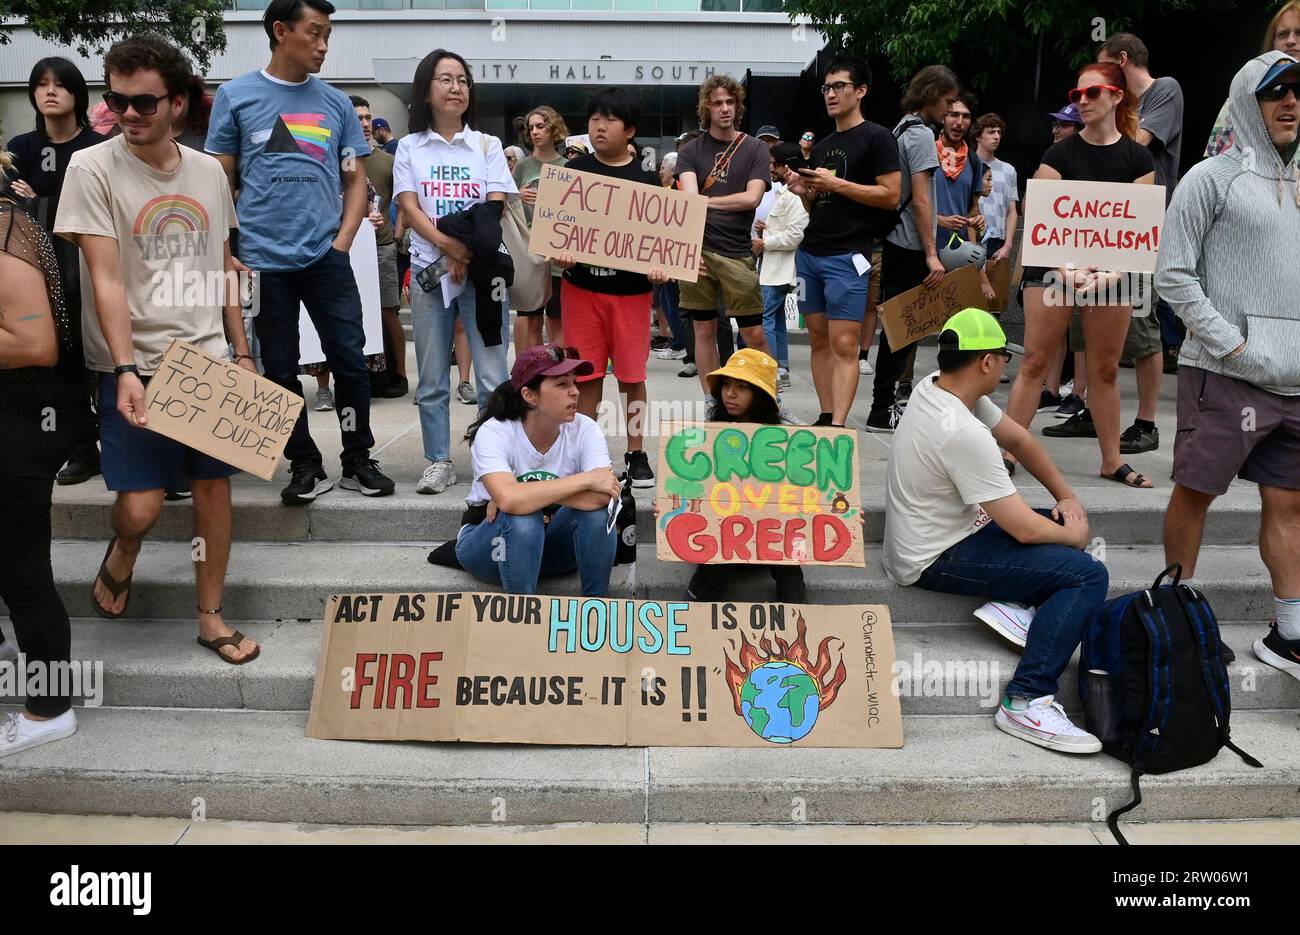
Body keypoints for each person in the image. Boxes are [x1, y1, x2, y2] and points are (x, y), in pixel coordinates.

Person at [54, 34, 260, 665]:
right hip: (134, 364)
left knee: (212, 492)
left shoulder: (208, 173)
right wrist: (122, 369)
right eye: (116, 100)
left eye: (144, 102)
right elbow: (105, 277)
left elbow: (222, 262)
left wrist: (241, 351)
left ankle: (210, 615)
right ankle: (123, 550)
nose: (128, 115)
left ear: (178, 103)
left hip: (206, 362)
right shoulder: (91, 168)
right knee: (139, 508)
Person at [884, 308, 1107, 753]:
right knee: (1087, 574)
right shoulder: (965, 432)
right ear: (986, 362)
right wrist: (1076, 537)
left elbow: (1021, 440)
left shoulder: (939, 389)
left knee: (1059, 521)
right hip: (933, 557)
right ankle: (1026, 700)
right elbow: (1022, 529)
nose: (1006, 364)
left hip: (937, 530)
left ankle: (1022, 605)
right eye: (1004, 356)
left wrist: (1067, 499)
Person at [207, 0, 394, 505]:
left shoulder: (334, 103)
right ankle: (304, 462)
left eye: (328, 34)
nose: (323, 45)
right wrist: (228, 250)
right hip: (265, 263)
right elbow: (219, 181)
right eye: (314, 33)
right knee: (280, 370)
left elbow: (355, 181)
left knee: (351, 362)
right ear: (279, 31)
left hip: (325, 259)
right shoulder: (235, 96)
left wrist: (341, 243)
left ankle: (357, 457)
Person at [1156, 51, 1300, 678]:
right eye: (1275, 93)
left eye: (1297, 91)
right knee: (1196, 494)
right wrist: (1232, 345)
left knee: (1288, 507)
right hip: (1224, 373)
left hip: (1295, 381)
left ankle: (1290, 628)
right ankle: (1172, 613)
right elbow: (1173, 276)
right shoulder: (1209, 178)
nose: (1290, 102)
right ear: (1248, 101)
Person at [1008, 61, 1156, 489]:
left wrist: (1110, 275)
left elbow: (1137, 231)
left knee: (1106, 370)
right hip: (1054, 272)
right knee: (1035, 361)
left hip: (1112, 276)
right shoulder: (1058, 154)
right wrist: (1063, 270)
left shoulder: (1138, 158)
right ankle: (1006, 450)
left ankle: (1112, 460)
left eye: (1092, 93)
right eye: (1077, 95)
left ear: (1116, 96)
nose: (1082, 101)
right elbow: (1041, 223)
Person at [0, 182, 96, 755]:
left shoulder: (4, 232)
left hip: (20, 419)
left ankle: (49, 708)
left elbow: (35, 342)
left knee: (22, 572)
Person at [395, 49, 515, 495]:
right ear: (426, 90)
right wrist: (448, 249)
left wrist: (465, 254)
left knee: (491, 373)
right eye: (445, 79)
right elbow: (410, 206)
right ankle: (438, 460)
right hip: (430, 270)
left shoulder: (487, 145)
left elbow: (495, 206)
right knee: (430, 377)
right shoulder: (409, 147)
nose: (455, 88)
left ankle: (492, 460)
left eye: (463, 80)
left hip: (484, 275)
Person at [549, 88, 667, 489]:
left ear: (630, 130)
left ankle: (636, 454)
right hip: (580, 291)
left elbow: (660, 243)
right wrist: (559, 254)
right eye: (595, 117)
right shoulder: (574, 174)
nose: (599, 125)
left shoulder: (648, 182)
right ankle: (585, 454)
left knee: (633, 375)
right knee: (586, 377)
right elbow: (554, 236)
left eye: (610, 119)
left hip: (632, 295)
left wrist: (660, 268)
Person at [784, 57, 900, 428]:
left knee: (846, 344)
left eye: (839, 87)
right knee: (818, 339)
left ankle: (837, 426)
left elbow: (890, 195)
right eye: (827, 88)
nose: (831, 95)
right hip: (811, 250)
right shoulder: (822, 146)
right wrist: (805, 191)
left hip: (849, 253)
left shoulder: (878, 137)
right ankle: (825, 416)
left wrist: (835, 184)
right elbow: (817, 202)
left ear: (861, 91)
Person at [7, 57, 107, 487]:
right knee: (62, 363)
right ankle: (83, 450)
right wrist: (40, 204)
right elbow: (10, 216)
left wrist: (39, 201)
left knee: (104, 357)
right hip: (40, 275)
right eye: (41, 84)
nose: (50, 91)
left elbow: (100, 210)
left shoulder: (100, 146)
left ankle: (130, 445)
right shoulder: (20, 148)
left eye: (60, 84)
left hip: (93, 268)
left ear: (77, 94)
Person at [456, 345, 620, 597]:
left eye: (574, 383)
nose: (575, 391)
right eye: (562, 384)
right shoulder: (494, 432)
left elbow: (604, 495)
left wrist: (523, 494)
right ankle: (523, 623)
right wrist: (585, 480)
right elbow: (510, 501)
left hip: (554, 542)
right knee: (522, 519)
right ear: (530, 395)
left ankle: (595, 612)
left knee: (597, 515)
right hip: (491, 546)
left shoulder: (585, 428)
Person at [662, 349, 807, 602]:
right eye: (726, 384)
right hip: (718, 540)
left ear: (760, 395)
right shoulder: (710, 436)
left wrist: (841, 511)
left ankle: (798, 613)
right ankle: (694, 610)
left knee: (783, 538)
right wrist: (671, 505)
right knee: (723, 531)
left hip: (769, 539)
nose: (730, 393)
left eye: (742, 387)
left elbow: (806, 495)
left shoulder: (784, 441)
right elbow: (695, 487)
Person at [1098, 32, 1181, 444]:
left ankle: (1147, 422)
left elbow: (1137, 146)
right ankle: (1089, 404)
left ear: (1123, 59)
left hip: (1142, 224)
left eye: (1105, 68)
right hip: (1108, 222)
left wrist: (1103, 123)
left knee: (1143, 321)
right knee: (1094, 316)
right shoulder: (1122, 105)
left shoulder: (1163, 90)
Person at [866, 65, 958, 433]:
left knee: (899, 328)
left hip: (896, 241)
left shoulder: (900, 128)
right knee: (902, 331)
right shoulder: (919, 135)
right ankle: (882, 407)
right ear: (932, 94)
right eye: (948, 101)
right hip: (910, 244)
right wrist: (932, 253)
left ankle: (884, 403)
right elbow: (922, 200)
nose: (949, 110)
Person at [676, 75, 772, 402]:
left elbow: (752, 198)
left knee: (754, 333)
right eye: (717, 103)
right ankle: (711, 402)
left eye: (730, 102)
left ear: (738, 106)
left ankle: (768, 397)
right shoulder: (690, 151)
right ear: (707, 108)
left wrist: (710, 202)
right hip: (699, 251)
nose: (725, 108)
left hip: (737, 252)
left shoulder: (755, 147)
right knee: (704, 331)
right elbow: (689, 201)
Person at [350, 94, 406, 398]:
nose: (365, 124)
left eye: (368, 118)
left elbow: (405, 200)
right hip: (347, 250)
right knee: (350, 315)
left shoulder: (387, 161)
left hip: (382, 248)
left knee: (388, 312)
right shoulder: (340, 159)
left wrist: (397, 231)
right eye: (358, 118)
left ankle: (399, 374)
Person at [1205, 2, 1300, 157]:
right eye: (1283, 34)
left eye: (1299, 32)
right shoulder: (1242, 99)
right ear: (1272, 42)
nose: (1290, 40)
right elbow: (1216, 163)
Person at [513, 104, 568, 355]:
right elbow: (504, 205)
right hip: (528, 252)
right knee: (529, 316)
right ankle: (530, 369)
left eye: (541, 126)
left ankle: (560, 369)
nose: (535, 132)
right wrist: (515, 196)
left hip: (558, 253)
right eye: (531, 127)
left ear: (553, 129)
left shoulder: (568, 166)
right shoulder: (522, 167)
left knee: (556, 317)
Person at [754, 142, 807, 393]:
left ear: (786, 166)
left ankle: (771, 373)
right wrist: (767, 230)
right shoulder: (784, 192)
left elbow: (796, 235)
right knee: (775, 320)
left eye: (773, 163)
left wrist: (765, 242)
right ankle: (781, 370)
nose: (770, 168)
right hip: (774, 268)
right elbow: (786, 229)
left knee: (766, 320)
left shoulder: (796, 194)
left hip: (779, 270)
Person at [934, 94, 995, 307]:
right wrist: (939, 220)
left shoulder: (973, 160)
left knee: (954, 324)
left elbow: (973, 209)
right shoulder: (926, 151)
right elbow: (907, 204)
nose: (959, 122)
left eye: (966, 116)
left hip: (957, 254)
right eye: (953, 115)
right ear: (942, 117)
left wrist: (977, 220)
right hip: (921, 250)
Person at [972, 112, 1018, 306]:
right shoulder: (966, 164)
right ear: (978, 136)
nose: (997, 136)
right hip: (971, 237)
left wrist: (1008, 245)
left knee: (994, 305)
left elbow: (1012, 210)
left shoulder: (1008, 170)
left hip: (997, 241)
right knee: (969, 300)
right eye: (991, 132)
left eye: (999, 132)